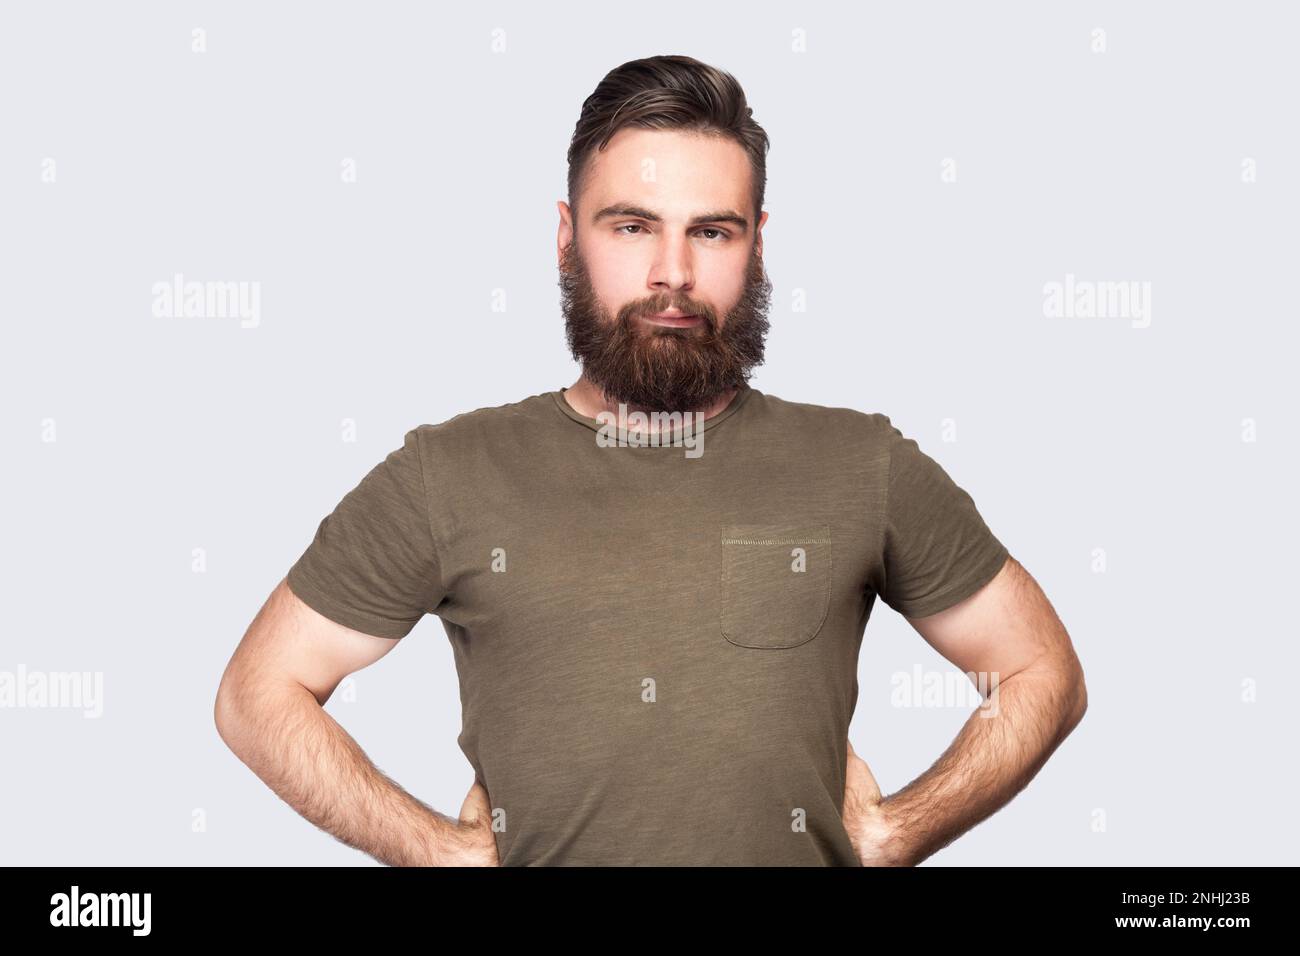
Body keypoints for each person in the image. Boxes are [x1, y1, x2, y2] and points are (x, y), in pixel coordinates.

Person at [214, 54, 1087, 867]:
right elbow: (259, 693)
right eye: (631, 225)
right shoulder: (447, 472)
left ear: (757, 242)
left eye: (712, 232)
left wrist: (901, 828)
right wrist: (435, 849)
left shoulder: (864, 463)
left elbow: (1041, 670)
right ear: (566, 237)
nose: (672, 273)